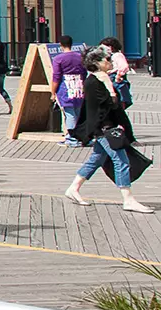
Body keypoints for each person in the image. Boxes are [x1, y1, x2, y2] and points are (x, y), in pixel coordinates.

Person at [64, 44, 152, 212]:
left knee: (96, 159)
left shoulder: (102, 79)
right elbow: (106, 107)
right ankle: (128, 199)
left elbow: (116, 107)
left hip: (106, 128)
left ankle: (73, 188)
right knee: (121, 161)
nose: (111, 62)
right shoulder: (94, 82)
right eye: (107, 59)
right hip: (103, 129)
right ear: (97, 62)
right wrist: (111, 90)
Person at [52, 35, 85, 142]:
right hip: (79, 85)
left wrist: (53, 92)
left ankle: (72, 137)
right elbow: (84, 72)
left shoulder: (58, 59)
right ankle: (79, 135)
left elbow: (56, 76)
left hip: (66, 86)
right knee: (78, 112)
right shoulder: (80, 57)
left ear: (60, 45)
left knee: (69, 113)